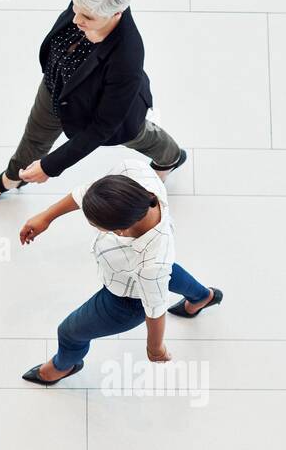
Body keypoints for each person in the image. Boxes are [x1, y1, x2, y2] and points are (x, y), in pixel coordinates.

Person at [0, 0, 186, 204]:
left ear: (116, 13)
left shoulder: (127, 56)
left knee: (140, 134)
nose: (75, 19)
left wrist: (50, 166)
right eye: (75, 8)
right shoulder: (87, 4)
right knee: (34, 139)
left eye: (87, 17)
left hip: (103, 111)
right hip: (56, 85)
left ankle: (171, 157)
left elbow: (103, 127)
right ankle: (10, 179)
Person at [18, 157, 222, 384]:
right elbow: (90, 192)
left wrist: (155, 349)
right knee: (168, 273)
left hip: (124, 301)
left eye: (96, 226)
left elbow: (155, 309)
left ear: (121, 231)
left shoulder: (151, 264)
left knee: (69, 332)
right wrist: (46, 217)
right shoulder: (133, 170)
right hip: (147, 271)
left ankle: (61, 366)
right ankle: (203, 297)